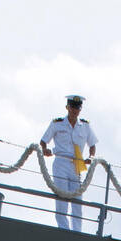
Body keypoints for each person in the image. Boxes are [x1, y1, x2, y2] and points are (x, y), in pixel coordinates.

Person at [40, 94, 97, 231]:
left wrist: (91, 157)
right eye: (72, 107)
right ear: (67, 107)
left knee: (77, 202)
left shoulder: (85, 126)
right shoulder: (57, 123)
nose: (74, 110)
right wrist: (45, 149)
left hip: (77, 164)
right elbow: (43, 141)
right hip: (61, 162)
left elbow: (92, 145)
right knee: (62, 199)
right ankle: (63, 229)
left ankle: (77, 231)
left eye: (77, 108)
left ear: (80, 109)